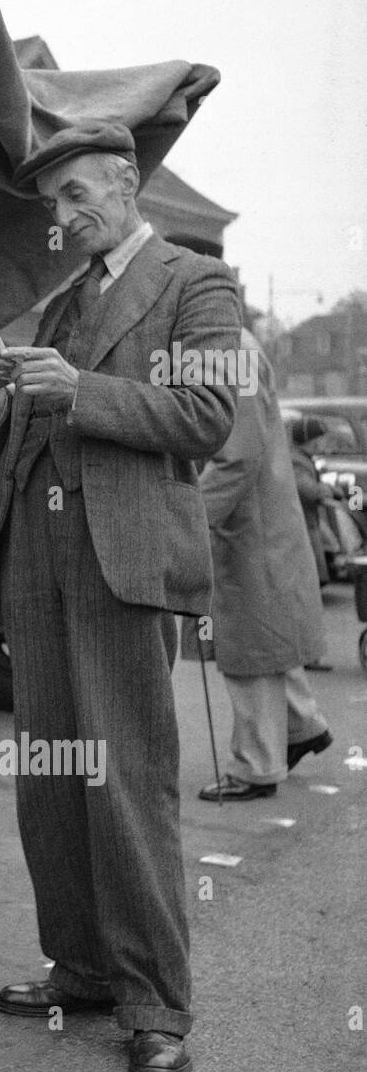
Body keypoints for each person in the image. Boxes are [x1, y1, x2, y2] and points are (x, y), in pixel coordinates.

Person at [0, 121, 242, 1072]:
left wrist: (79, 391)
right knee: (49, 776)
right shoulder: (66, 297)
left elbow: (206, 420)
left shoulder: (195, 280)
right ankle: (79, 966)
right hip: (40, 554)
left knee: (124, 782)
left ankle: (155, 1002)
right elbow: (40, 420)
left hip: (124, 560)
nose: (64, 215)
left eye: (78, 194)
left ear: (126, 184)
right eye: (53, 205)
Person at [194, 330, 333, 801]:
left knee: (246, 649)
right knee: (269, 635)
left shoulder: (228, 349)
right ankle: (301, 726)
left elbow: (236, 457)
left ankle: (256, 767)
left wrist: (191, 520)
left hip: (246, 524)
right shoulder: (238, 342)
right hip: (259, 521)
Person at [289, 415, 335, 586]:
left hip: (307, 521)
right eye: (321, 439)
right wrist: (328, 490)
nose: (323, 443)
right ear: (312, 440)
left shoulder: (302, 459)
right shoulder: (297, 461)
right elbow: (309, 491)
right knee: (309, 576)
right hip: (302, 523)